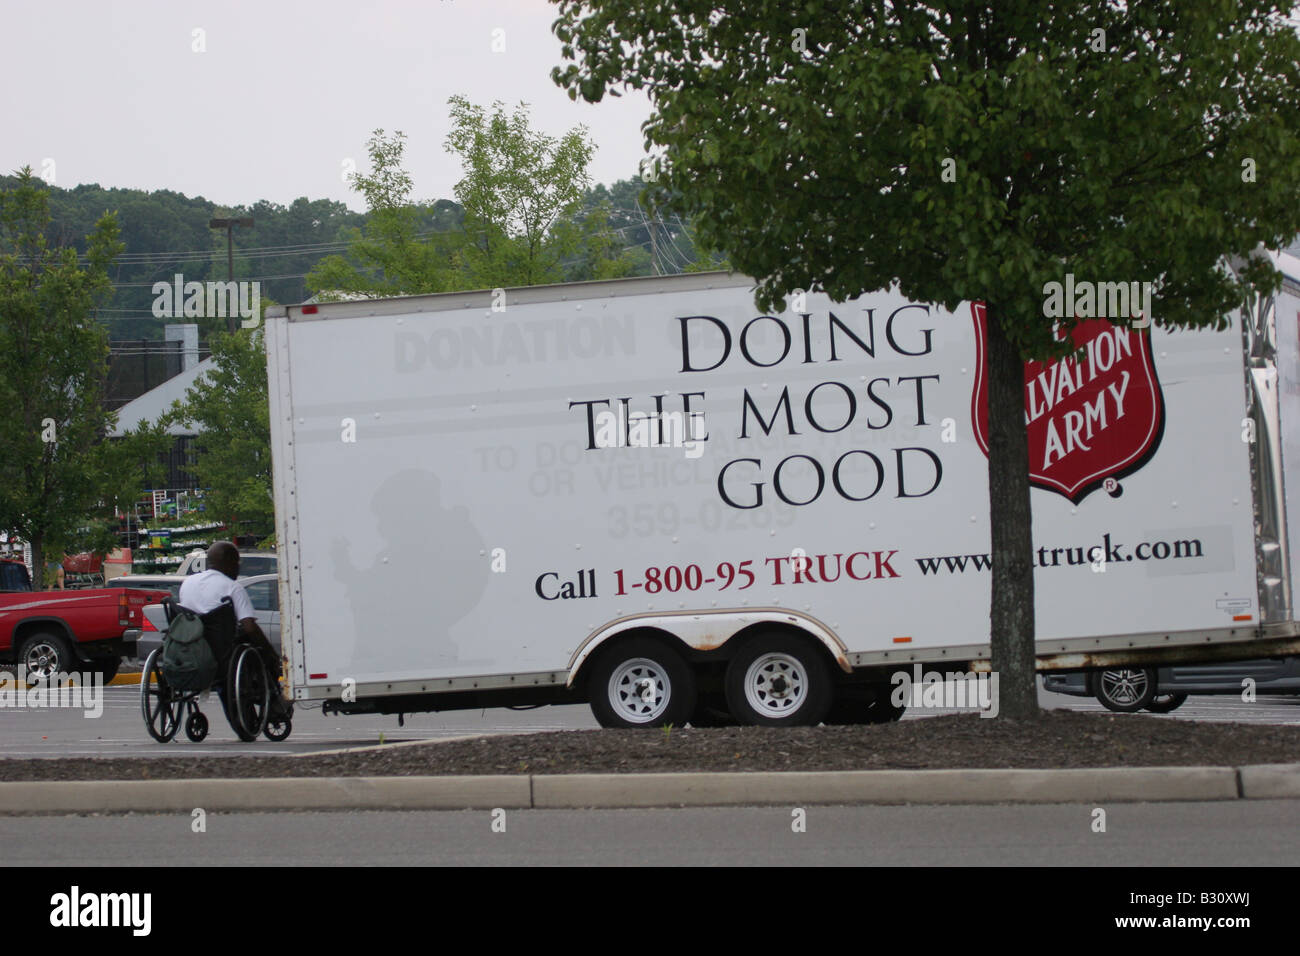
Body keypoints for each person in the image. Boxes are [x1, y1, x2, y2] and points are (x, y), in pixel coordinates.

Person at [178, 541, 288, 720]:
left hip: (190, 649)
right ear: (228, 562)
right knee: (257, 650)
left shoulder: (189, 583)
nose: (238, 567)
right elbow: (249, 627)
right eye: (237, 563)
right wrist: (270, 654)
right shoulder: (232, 587)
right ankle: (272, 700)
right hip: (221, 654)